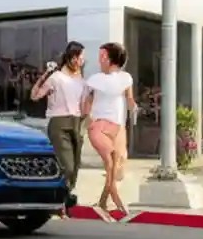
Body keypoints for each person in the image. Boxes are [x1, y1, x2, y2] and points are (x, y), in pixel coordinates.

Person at [30, 41, 87, 213]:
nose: (80, 61)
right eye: (77, 57)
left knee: (75, 167)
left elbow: (83, 105)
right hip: (59, 123)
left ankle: (63, 200)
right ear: (70, 58)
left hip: (77, 122)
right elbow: (34, 96)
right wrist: (45, 75)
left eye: (82, 57)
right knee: (67, 166)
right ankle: (60, 200)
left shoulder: (81, 80)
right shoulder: (56, 78)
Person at [82, 42, 137, 216]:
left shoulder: (125, 78)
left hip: (118, 126)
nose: (100, 59)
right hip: (99, 125)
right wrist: (88, 118)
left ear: (112, 58)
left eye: (103, 55)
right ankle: (116, 198)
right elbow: (87, 102)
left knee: (118, 165)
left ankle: (103, 201)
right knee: (110, 160)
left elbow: (129, 98)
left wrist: (134, 107)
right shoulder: (94, 80)